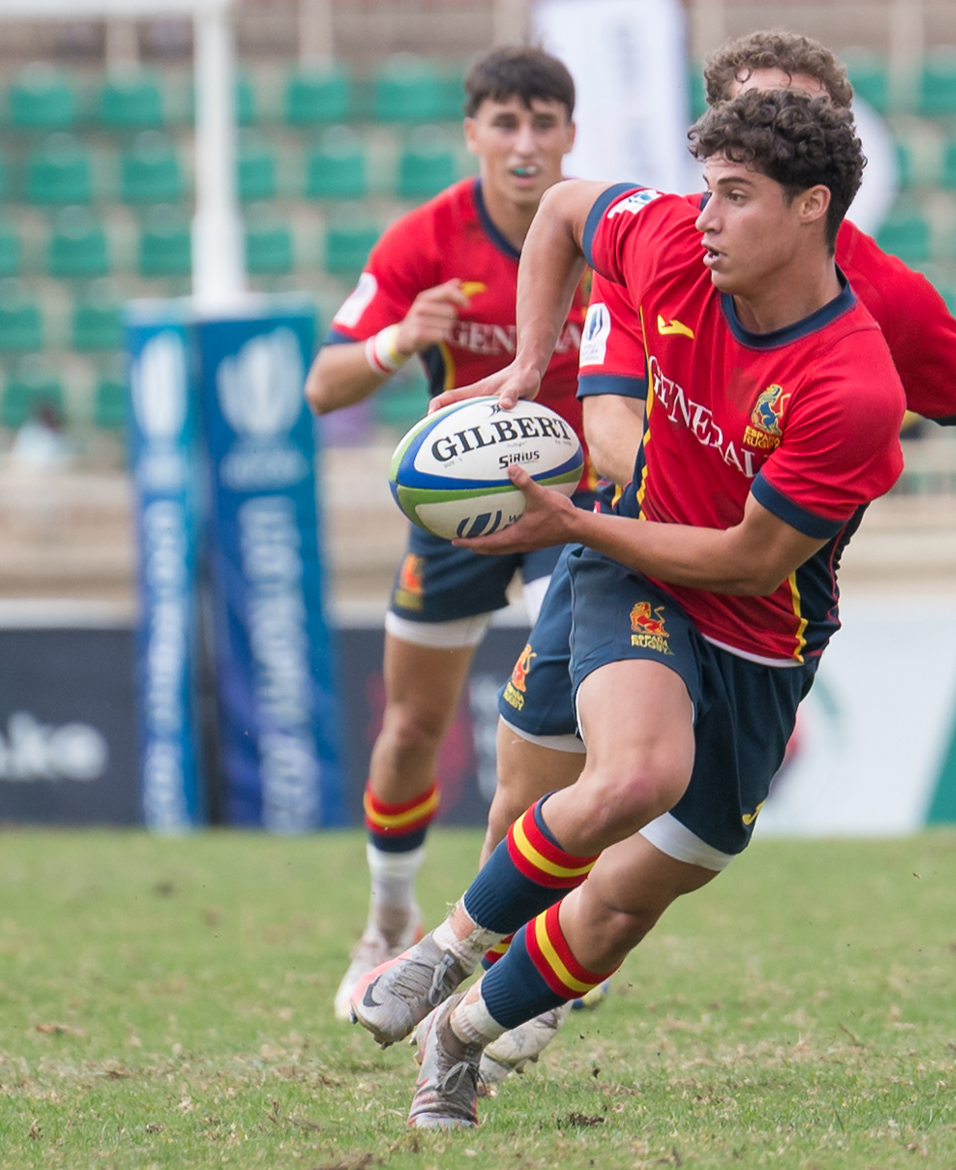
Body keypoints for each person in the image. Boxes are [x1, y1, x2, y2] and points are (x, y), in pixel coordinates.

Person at [410, 29, 956, 1087]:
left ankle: (525, 994)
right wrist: (544, 374)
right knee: (553, 791)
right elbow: (607, 398)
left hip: (754, 595)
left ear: (821, 175)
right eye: (732, 129)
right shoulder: (680, 235)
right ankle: (459, 969)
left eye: (787, 122)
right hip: (624, 549)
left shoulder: (883, 311)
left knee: (653, 870)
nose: (746, 158)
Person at [353, 88, 918, 1129]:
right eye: (705, 189)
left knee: (618, 909)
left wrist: (569, 521)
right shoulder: (671, 244)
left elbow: (751, 562)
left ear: (812, 208)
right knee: (632, 774)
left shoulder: (852, 387)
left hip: (754, 629)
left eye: (734, 197)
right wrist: (528, 362)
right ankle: (442, 952)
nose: (702, 215)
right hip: (637, 571)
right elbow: (566, 211)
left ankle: (459, 1037)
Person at [302, 46, 600, 1021]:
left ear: (569, 133)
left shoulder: (607, 234)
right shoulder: (426, 238)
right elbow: (323, 385)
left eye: (543, 122)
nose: (525, 143)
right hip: (459, 503)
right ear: (472, 132)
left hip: (577, 503)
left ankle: (549, 944)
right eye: (504, 123)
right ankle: (387, 923)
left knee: (581, 730)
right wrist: (398, 340)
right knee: (410, 727)